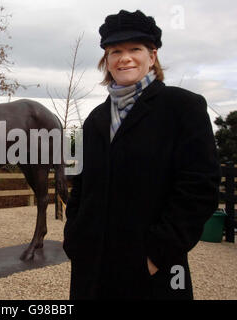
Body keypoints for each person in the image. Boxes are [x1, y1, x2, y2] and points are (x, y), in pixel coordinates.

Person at [63, 9, 220, 300]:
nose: (124, 58)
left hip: (153, 273)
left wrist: (156, 255)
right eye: (115, 51)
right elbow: (80, 188)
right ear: (106, 60)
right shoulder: (93, 119)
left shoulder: (183, 108)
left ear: (153, 56)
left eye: (135, 48)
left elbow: (199, 189)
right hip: (91, 271)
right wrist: (74, 239)